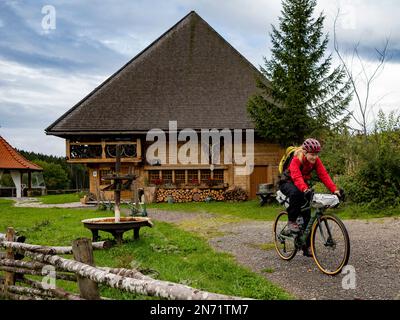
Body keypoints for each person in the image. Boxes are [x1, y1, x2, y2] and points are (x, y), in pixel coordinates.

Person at [279, 138, 341, 257]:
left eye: (316, 154)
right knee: (296, 193)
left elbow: (324, 175)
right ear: (305, 152)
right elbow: (296, 177)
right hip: (287, 182)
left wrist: (335, 190)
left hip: (301, 184)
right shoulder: (297, 160)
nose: (314, 157)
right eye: (312, 154)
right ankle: (291, 220)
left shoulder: (316, 161)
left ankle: (306, 247)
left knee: (307, 216)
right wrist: (305, 189)